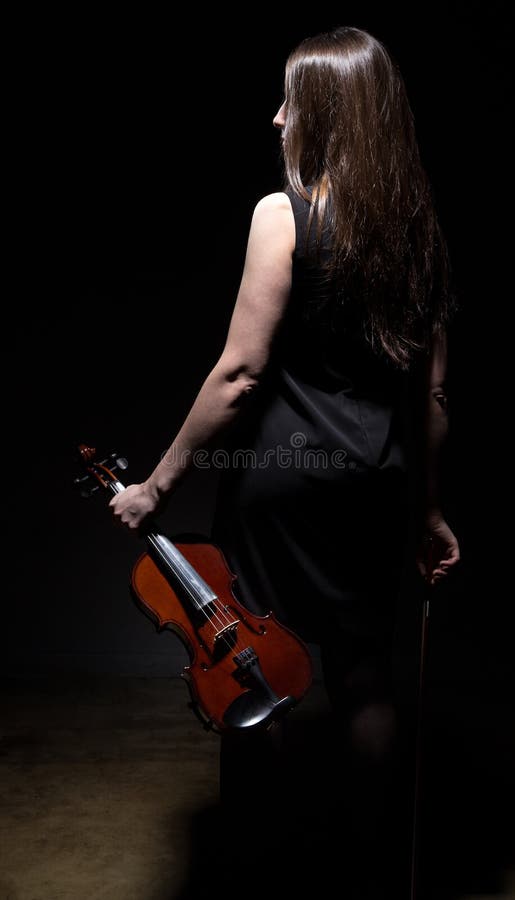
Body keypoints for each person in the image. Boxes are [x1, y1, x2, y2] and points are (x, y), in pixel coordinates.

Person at [109, 25, 460, 899]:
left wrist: (156, 485)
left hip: (283, 484)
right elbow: (433, 400)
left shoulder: (284, 213)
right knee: (365, 670)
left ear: (330, 117)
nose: (274, 119)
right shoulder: (421, 235)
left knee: (253, 668)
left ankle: (263, 870)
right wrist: (424, 512)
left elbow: (239, 372)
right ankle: (369, 871)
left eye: (290, 103)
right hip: (374, 486)